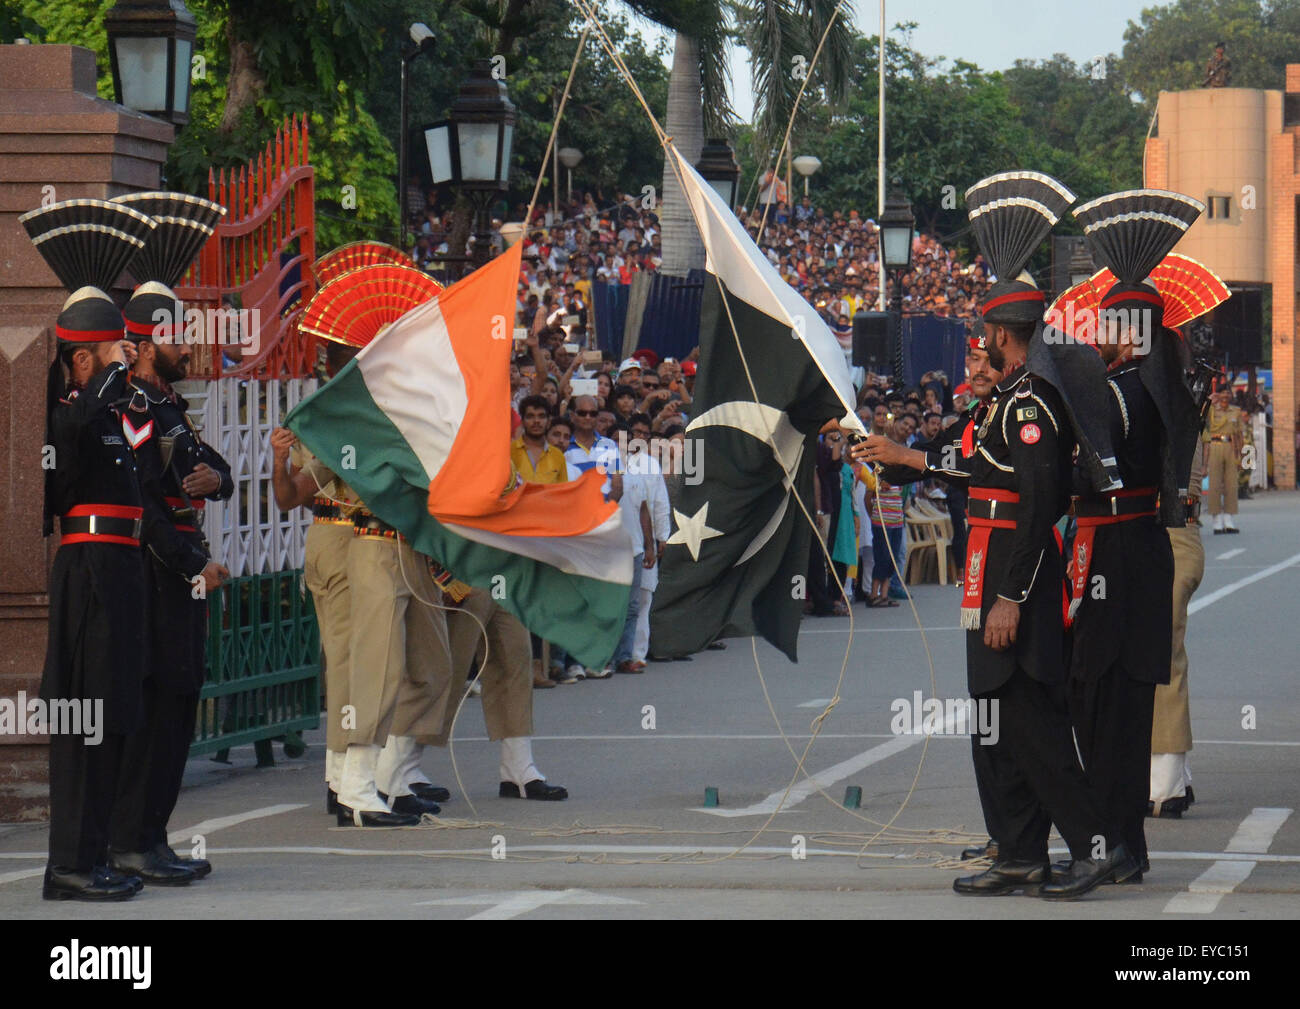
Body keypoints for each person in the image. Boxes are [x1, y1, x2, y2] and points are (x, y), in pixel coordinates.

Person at [854, 171, 1135, 899]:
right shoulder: (1004, 405)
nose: (976, 348)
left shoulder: (1031, 404)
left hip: (1018, 584)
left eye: (983, 336)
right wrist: (897, 456)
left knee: (1033, 728)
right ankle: (1018, 852)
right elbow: (968, 464)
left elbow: (1040, 496)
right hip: (986, 578)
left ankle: (1094, 845)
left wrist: (1011, 594)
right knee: (994, 729)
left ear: (1002, 334)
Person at [21, 198, 156, 901]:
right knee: (83, 718)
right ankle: (68, 863)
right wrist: (101, 388)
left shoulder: (112, 414)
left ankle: (95, 854)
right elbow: (59, 461)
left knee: (115, 715)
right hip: (87, 573)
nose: (126, 362)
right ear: (81, 359)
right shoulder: (69, 415)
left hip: (122, 570)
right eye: (112, 352)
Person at [111, 233, 234, 885]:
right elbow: (142, 504)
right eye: (180, 336)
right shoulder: (135, 408)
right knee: (158, 708)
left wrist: (222, 481)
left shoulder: (170, 407)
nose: (191, 347)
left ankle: (151, 835)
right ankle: (134, 839)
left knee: (179, 704)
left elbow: (212, 466)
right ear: (150, 342)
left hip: (181, 577)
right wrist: (189, 561)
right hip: (157, 579)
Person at [1203, 387, 1243, 533]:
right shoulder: (1212, 409)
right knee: (1215, 484)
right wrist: (1209, 402)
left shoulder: (1235, 411)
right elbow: (1200, 416)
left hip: (1231, 447)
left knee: (1231, 484)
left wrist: (1243, 458)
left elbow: (1240, 435)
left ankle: (1228, 518)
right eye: (1223, 393)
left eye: (1228, 393)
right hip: (1215, 445)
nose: (1226, 396)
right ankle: (1216, 519)